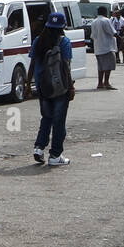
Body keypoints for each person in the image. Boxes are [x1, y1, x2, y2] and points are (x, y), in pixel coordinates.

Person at [29, 11, 75, 165]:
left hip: (43, 86)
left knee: (46, 118)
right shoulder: (64, 42)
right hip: (60, 88)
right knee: (59, 122)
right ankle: (55, 156)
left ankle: (39, 148)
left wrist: (29, 83)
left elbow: (32, 63)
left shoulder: (38, 41)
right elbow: (66, 67)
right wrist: (71, 87)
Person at [90, 5, 118, 91]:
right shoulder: (106, 20)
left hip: (98, 47)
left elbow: (92, 36)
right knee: (108, 66)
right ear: (104, 12)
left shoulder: (94, 22)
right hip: (107, 47)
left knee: (101, 66)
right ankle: (106, 82)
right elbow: (112, 32)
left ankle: (100, 83)